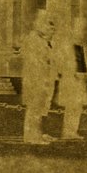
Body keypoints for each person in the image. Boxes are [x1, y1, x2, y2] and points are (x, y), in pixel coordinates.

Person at [20, 11, 57, 144]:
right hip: (36, 80)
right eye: (48, 25)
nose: (51, 29)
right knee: (34, 108)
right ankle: (32, 137)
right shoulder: (34, 39)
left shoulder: (44, 41)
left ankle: (38, 134)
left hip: (44, 79)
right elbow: (36, 62)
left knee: (41, 109)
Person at [54, 28, 87, 141]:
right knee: (71, 108)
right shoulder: (68, 50)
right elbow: (61, 67)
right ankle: (68, 132)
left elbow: (82, 67)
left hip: (77, 83)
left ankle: (72, 131)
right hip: (70, 83)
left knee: (77, 108)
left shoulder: (79, 48)